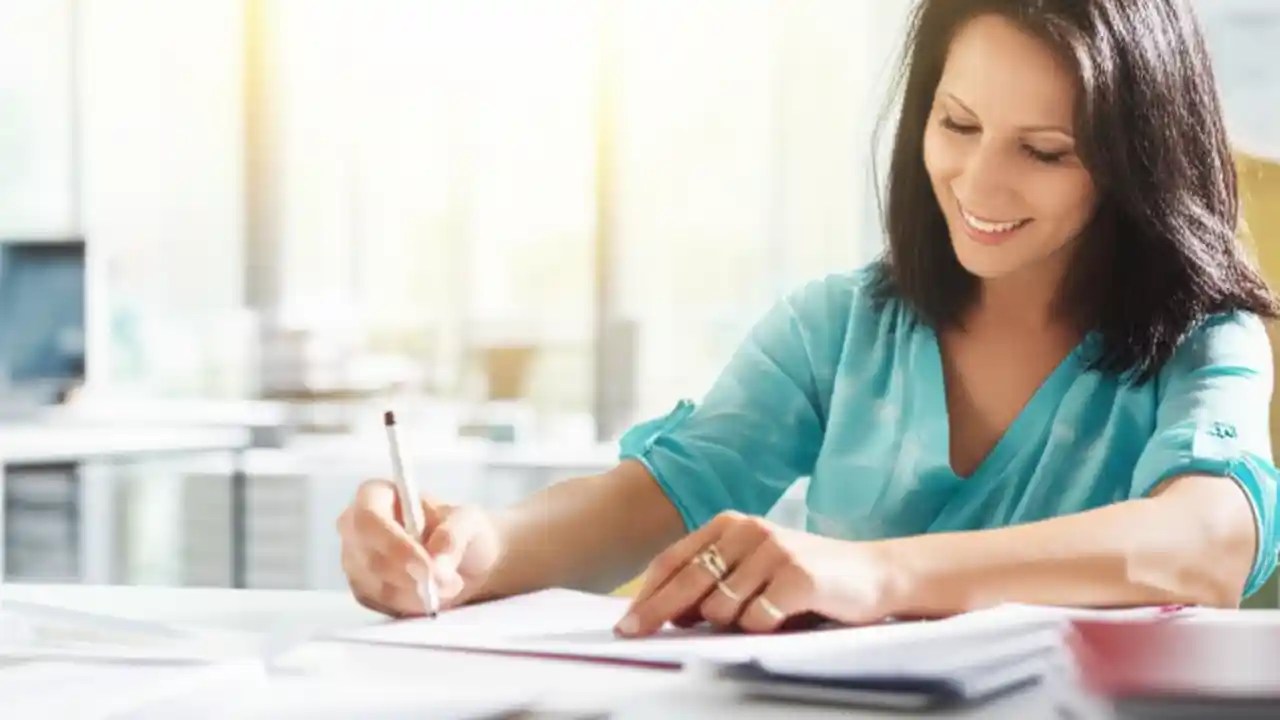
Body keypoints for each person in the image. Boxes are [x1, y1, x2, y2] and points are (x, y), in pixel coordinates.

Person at [338, 0, 1280, 638]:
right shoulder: (837, 329)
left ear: (1135, 163)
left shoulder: (1205, 341)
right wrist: (475, 548)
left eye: (1043, 151)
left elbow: (1206, 542)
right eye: (955, 126)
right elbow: (659, 494)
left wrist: (873, 576)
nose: (979, 184)